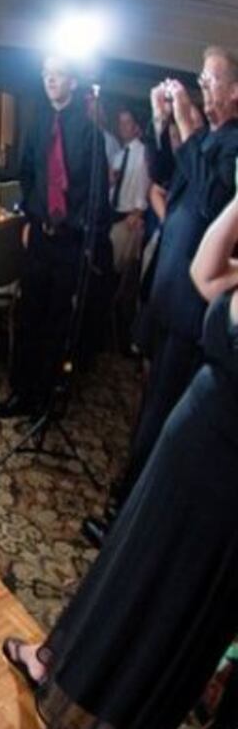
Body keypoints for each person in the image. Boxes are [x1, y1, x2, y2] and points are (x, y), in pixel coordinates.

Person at [1, 189, 238, 729]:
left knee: (157, 622)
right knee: (123, 582)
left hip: (221, 498)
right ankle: (52, 663)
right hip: (181, 465)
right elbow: (202, 270)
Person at [84, 49, 238, 535]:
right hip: (166, 292)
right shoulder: (210, 138)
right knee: (146, 402)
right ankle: (128, 501)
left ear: (236, 91)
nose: (202, 85)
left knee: (161, 418)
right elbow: (170, 176)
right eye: (201, 77)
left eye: (211, 79)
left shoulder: (234, 145)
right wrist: (164, 121)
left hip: (191, 310)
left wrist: (187, 125)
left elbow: (215, 197)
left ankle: (127, 520)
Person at [0, 56, 111, 420]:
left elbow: (96, 194)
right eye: (45, 74)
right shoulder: (38, 122)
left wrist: (80, 233)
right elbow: (26, 174)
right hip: (40, 237)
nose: (50, 80)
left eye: (57, 74)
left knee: (58, 322)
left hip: (71, 242)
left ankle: (46, 399)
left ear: (73, 82)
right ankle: (21, 393)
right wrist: (30, 216)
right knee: (29, 317)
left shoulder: (90, 132)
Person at [107, 107, 152, 275]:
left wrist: (139, 213)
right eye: (120, 123)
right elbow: (114, 186)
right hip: (113, 215)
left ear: (135, 127)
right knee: (110, 267)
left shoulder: (144, 152)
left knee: (122, 271)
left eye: (127, 123)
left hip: (130, 218)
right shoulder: (118, 155)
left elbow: (146, 184)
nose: (123, 127)